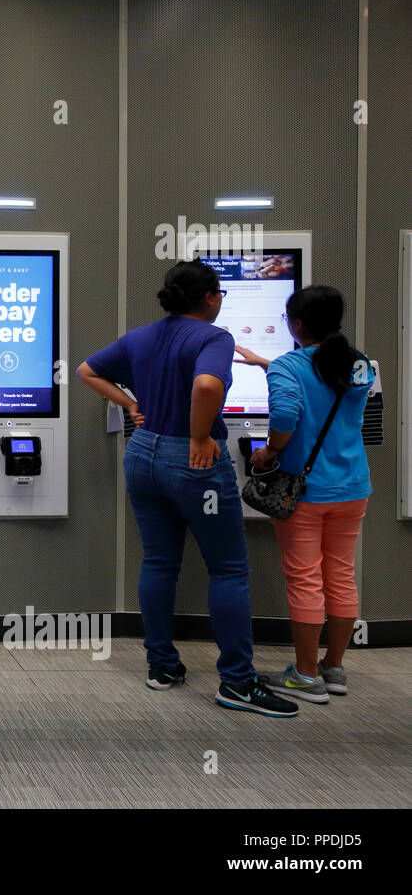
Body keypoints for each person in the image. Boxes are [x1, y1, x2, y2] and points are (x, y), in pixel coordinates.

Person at [77, 260, 298, 718]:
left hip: (143, 454)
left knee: (159, 561)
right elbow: (206, 385)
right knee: (229, 570)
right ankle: (237, 683)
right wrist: (200, 437)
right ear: (211, 298)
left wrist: (131, 403)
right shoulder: (213, 337)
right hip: (192, 461)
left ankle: (162, 667)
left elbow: (86, 371)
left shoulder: (140, 336)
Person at [235, 286, 373, 704]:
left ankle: (305, 675)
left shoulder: (288, 367)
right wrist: (266, 364)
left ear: (295, 324)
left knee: (305, 579)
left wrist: (269, 452)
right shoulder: (359, 365)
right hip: (352, 487)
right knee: (341, 574)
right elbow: (328, 390)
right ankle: (334, 668)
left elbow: (287, 415)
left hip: (306, 491)